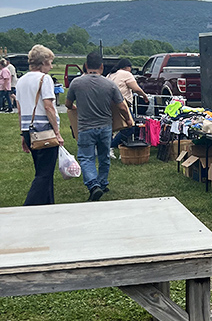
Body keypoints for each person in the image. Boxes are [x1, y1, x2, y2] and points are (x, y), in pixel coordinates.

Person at [65, 52, 133, 201]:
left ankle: (93, 184)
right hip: (105, 127)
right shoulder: (109, 84)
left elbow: (68, 104)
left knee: (86, 158)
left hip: (85, 127)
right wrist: (128, 119)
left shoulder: (76, 83)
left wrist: (75, 107)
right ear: (102, 67)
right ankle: (102, 183)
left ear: (86, 66)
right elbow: (121, 106)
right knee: (104, 156)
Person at [15, 44, 64, 205]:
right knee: (44, 173)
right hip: (45, 130)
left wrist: (23, 133)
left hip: (29, 130)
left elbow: (20, 109)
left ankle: (47, 205)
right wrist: (57, 132)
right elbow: (48, 106)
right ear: (43, 63)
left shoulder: (21, 81)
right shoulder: (45, 79)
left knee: (42, 171)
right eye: (49, 62)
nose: (51, 66)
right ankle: (29, 206)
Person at [107, 58, 149, 157]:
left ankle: (110, 147)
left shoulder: (110, 75)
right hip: (122, 104)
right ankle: (112, 145)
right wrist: (144, 95)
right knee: (129, 126)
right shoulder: (126, 74)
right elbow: (136, 88)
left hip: (108, 104)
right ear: (127, 67)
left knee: (111, 127)